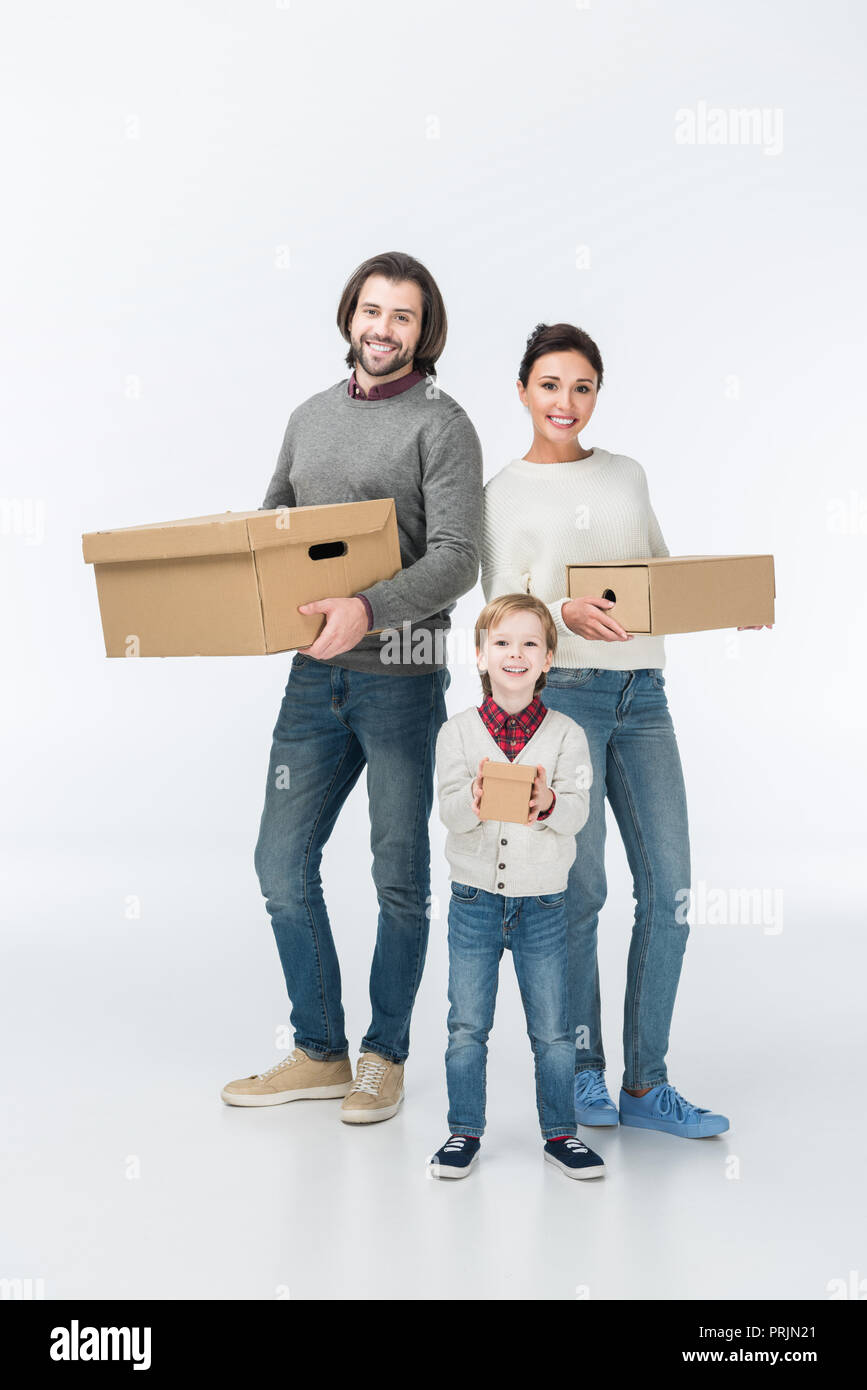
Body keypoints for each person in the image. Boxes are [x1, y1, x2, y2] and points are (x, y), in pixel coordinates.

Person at [481, 323, 770, 1138]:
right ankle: (581, 1075)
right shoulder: (501, 490)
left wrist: (726, 604)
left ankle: (646, 1086)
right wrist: (555, 612)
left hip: (643, 698)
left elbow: (658, 572)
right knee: (580, 894)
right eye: (548, 386)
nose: (564, 403)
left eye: (580, 387)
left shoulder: (627, 474)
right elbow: (500, 607)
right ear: (522, 391)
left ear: (595, 394)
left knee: (670, 891)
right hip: (563, 695)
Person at [221, 252, 483, 1123]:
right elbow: (276, 525)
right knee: (279, 864)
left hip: (401, 676)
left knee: (399, 876)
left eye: (401, 317)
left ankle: (385, 1056)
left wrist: (366, 608)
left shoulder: (442, 424)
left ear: (423, 331)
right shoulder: (307, 418)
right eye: (371, 311)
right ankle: (320, 1050)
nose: (382, 328)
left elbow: (455, 559)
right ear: (349, 318)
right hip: (312, 679)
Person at [428, 594, 605, 1180]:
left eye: (530, 643)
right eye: (502, 642)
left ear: (549, 658)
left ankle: (561, 1133)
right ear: (480, 655)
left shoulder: (567, 735)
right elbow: (450, 814)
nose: (516, 654)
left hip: (544, 903)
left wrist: (550, 801)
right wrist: (474, 802)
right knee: (467, 1024)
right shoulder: (456, 734)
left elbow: (578, 813)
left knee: (554, 1030)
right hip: (474, 901)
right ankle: (463, 1132)